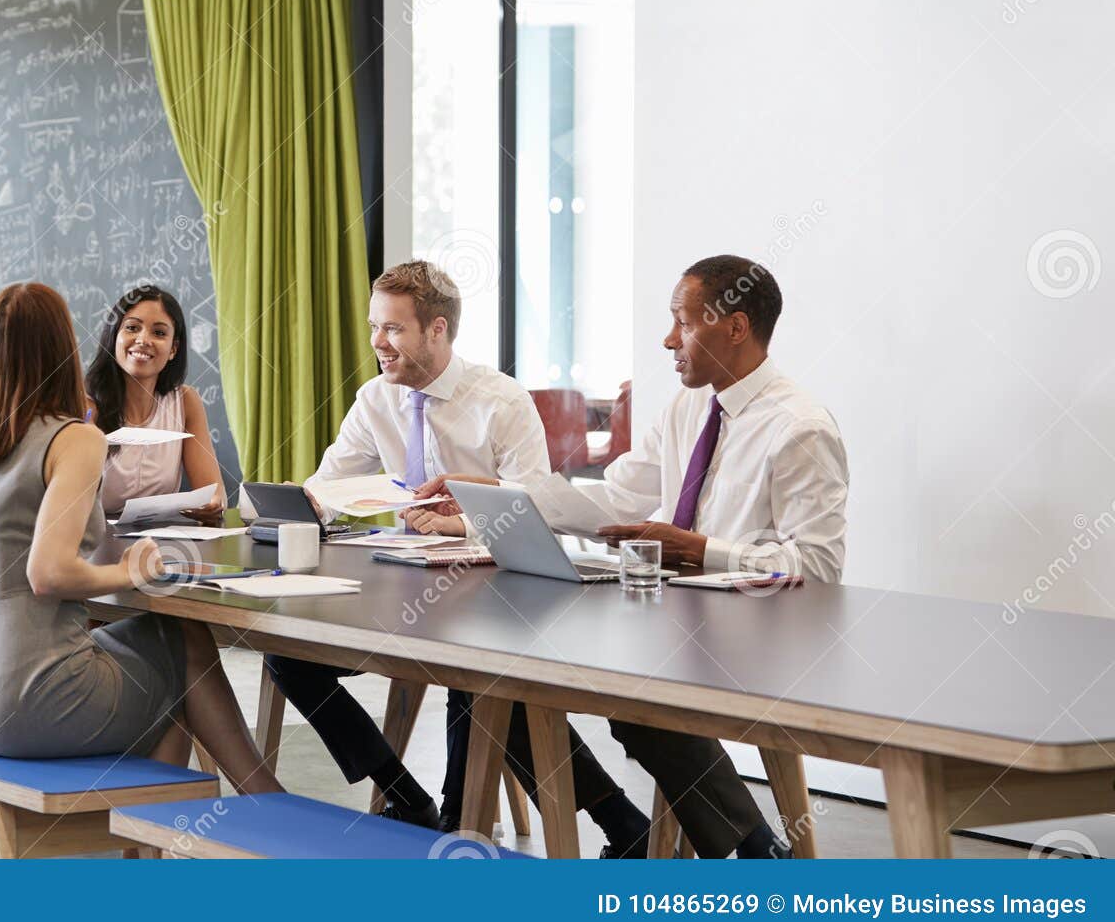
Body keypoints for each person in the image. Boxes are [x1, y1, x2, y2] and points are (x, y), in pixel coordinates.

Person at [411, 254, 849, 858]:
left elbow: (820, 569)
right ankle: (628, 829)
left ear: (736, 326)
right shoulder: (688, 408)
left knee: (640, 696)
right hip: (676, 615)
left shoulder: (800, 427)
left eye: (683, 323)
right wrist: (500, 496)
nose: (669, 339)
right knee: (495, 676)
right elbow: (616, 497)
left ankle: (755, 850)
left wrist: (704, 551)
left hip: (759, 628)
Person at [264, 260, 652, 853]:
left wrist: (464, 521)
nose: (377, 343)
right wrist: (299, 508)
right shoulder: (376, 400)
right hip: (401, 588)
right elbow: (328, 484)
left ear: (437, 330)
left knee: (475, 669)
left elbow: (539, 505)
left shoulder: (500, 401)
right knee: (287, 651)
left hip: (497, 593)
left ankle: (458, 821)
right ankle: (404, 793)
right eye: (375, 327)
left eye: (392, 329)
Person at [0, 283, 281, 795]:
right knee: (179, 656)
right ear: (66, 347)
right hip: (34, 696)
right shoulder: (75, 437)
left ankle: (159, 827)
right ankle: (261, 803)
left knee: (168, 651)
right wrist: (128, 571)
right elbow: (48, 572)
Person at [86, 286, 224, 522]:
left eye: (159, 333)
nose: (143, 340)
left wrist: (211, 504)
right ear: (114, 337)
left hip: (165, 546)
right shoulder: (87, 405)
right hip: (96, 546)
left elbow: (214, 493)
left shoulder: (185, 402)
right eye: (132, 328)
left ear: (173, 349)